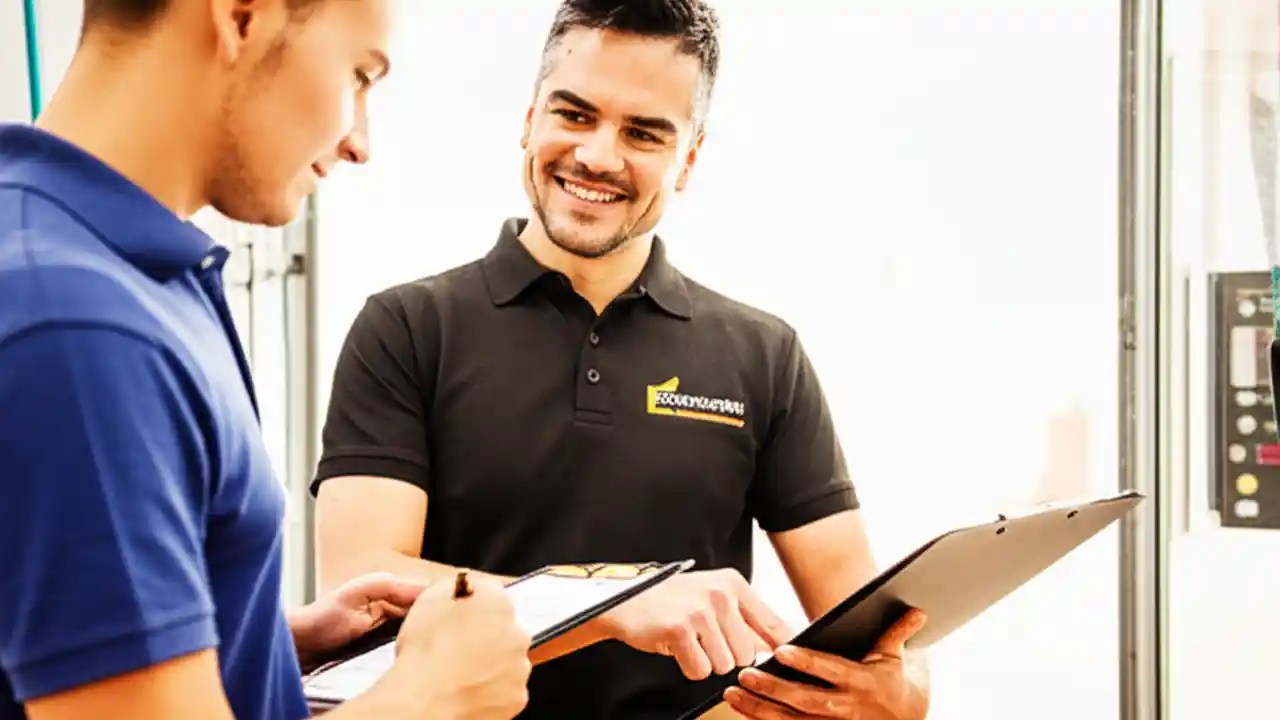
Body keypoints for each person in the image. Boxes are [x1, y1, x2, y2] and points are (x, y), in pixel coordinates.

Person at [311, 0, 930, 718]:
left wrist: (899, 691)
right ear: (529, 119)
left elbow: (875, 627)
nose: (599, 156)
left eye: (643, 133)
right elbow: (366, 586)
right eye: (574, 115)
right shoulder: (408, 328)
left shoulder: (764, 355)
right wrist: (613, 605)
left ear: (688, 159)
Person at [0, 1, 531, 719]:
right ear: (241, 14)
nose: (359, 142)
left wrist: (259, 645)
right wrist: (435, 695)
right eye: (359, 75)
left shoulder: (113, 270)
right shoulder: (81, 328)